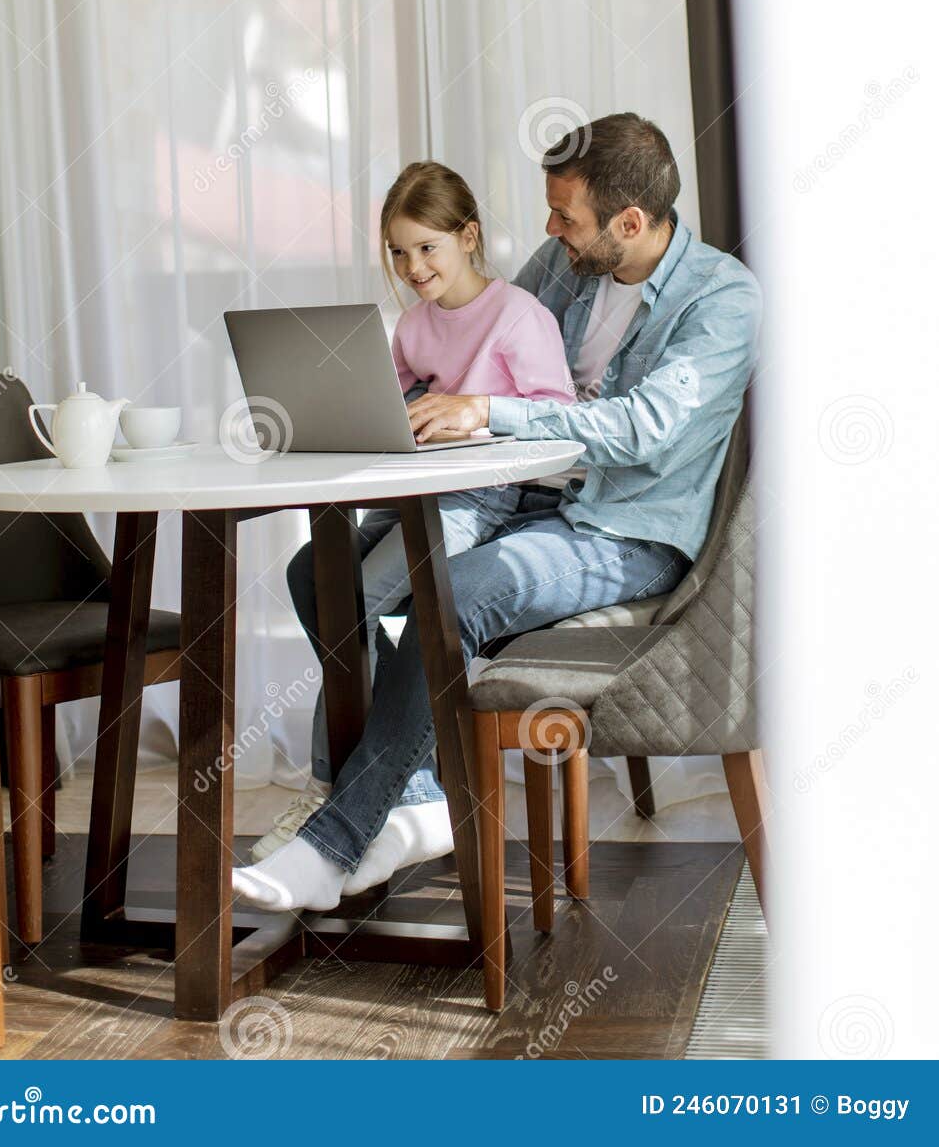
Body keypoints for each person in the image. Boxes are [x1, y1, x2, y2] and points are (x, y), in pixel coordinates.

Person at [233, 113, 762, 914]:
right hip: (520, 502)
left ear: (629, 222)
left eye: (566, 217)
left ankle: (337, 836)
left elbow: (642, 430)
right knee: (319, 571)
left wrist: (486, 411)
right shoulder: (566, 263)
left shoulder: (722, 299)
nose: (549, 232)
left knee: (455, 592)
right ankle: (411, 794)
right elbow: (493, 344)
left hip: (624, 529)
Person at [248, 158, 575, 865]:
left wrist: (476, 422)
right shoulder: (415, 326)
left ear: (468, 237)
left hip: (479, 498)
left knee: (357, 597)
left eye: (427, 247)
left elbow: (561, 418)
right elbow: (382, 400)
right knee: (313, 573)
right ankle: (405, 782)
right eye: (399, 252)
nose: (413, 266)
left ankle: (332, 786)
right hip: (413, 493)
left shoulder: (518, 316)